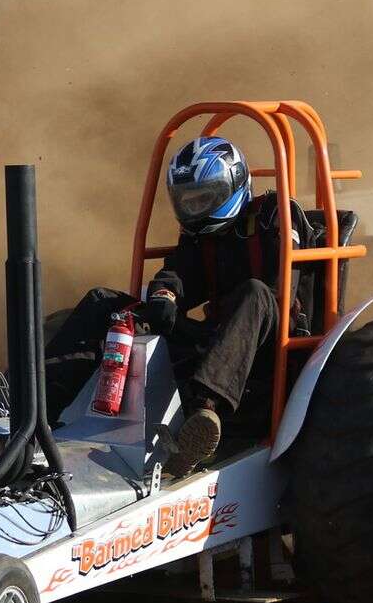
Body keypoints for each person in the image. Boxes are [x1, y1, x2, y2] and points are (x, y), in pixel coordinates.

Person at [45, 136, 338, 476]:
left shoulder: (277, 214)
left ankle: (202, 418)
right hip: (219, 344)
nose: (195, 208)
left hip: (274, 344)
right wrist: (165, 295)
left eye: (204, 197)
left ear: (233, 186)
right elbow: (178, 273)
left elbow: (278, 288)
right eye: (188, 200)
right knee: (103, 302)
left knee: (254, 292)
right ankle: (38, 405)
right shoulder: (200, 234)